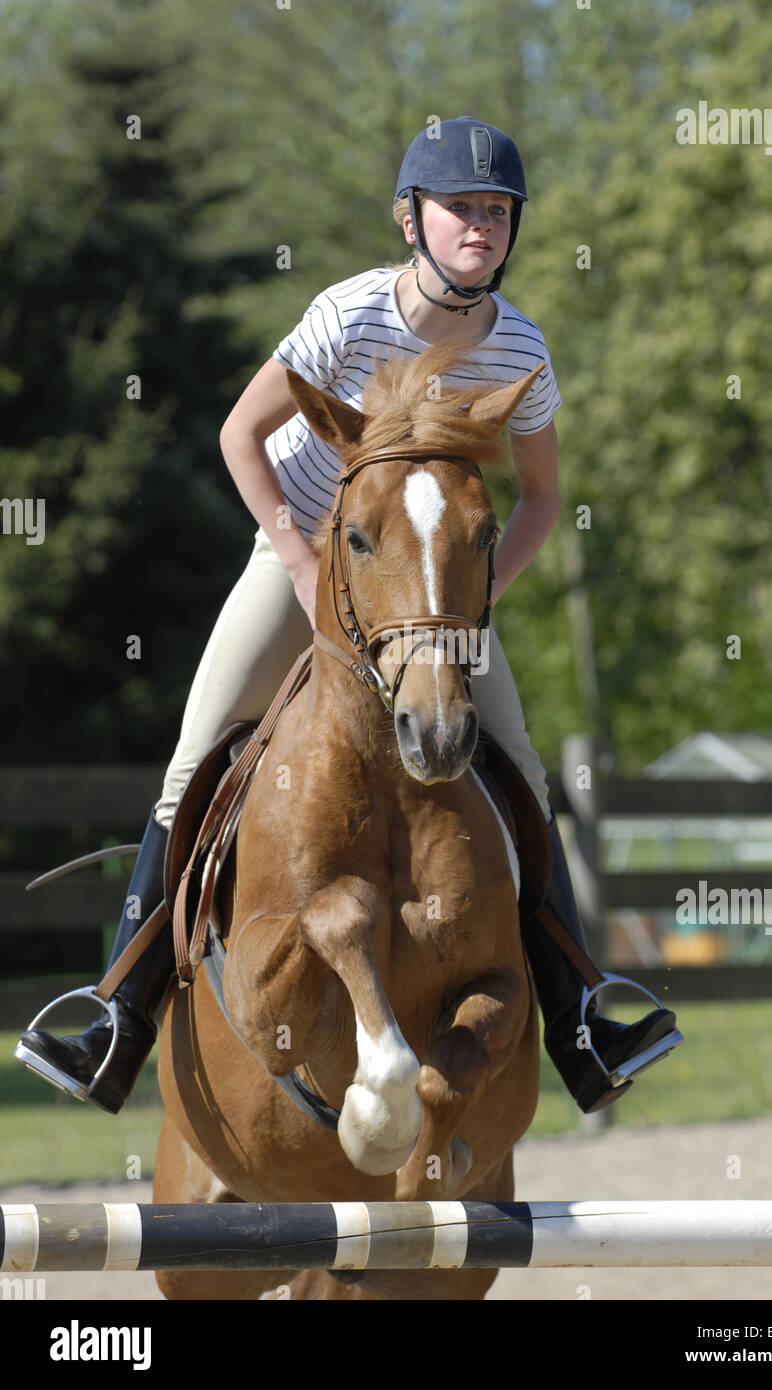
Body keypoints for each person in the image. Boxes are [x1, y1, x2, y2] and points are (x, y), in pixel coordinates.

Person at [16, 116, 681, 1117]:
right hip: (306, 565)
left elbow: (540, 499)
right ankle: (116, 1014)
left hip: (427, 599)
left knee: (524, 773)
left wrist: (476, 596)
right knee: (194, 759)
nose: (483, 227)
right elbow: (244, 434)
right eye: (463, 208)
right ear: (411, 219)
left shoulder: (520, 343)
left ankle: (583, 1014)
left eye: (499, 212)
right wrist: (295, 551)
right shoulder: (348, 314)